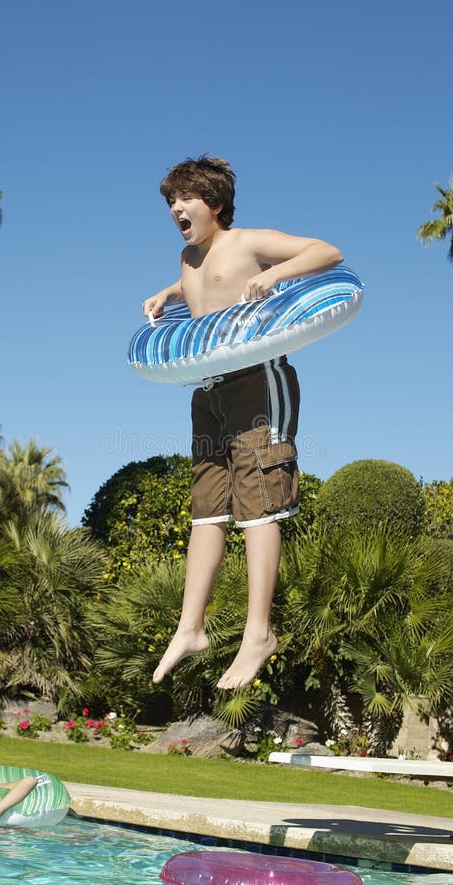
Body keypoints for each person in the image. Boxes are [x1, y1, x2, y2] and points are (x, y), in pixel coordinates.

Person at [143, 156, 343, 690]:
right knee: (207, 512)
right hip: (209, 391)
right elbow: (203, 286)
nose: (176, 208)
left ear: (214, 203)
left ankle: (259, 632)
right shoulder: (188, 257)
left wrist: (274, 274)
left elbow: (327, 251)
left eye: (185, 198)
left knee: (258, 507)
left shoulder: (248, 242)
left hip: (257, 380)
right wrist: (168, 294)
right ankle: (191, 627)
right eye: (170, 201)